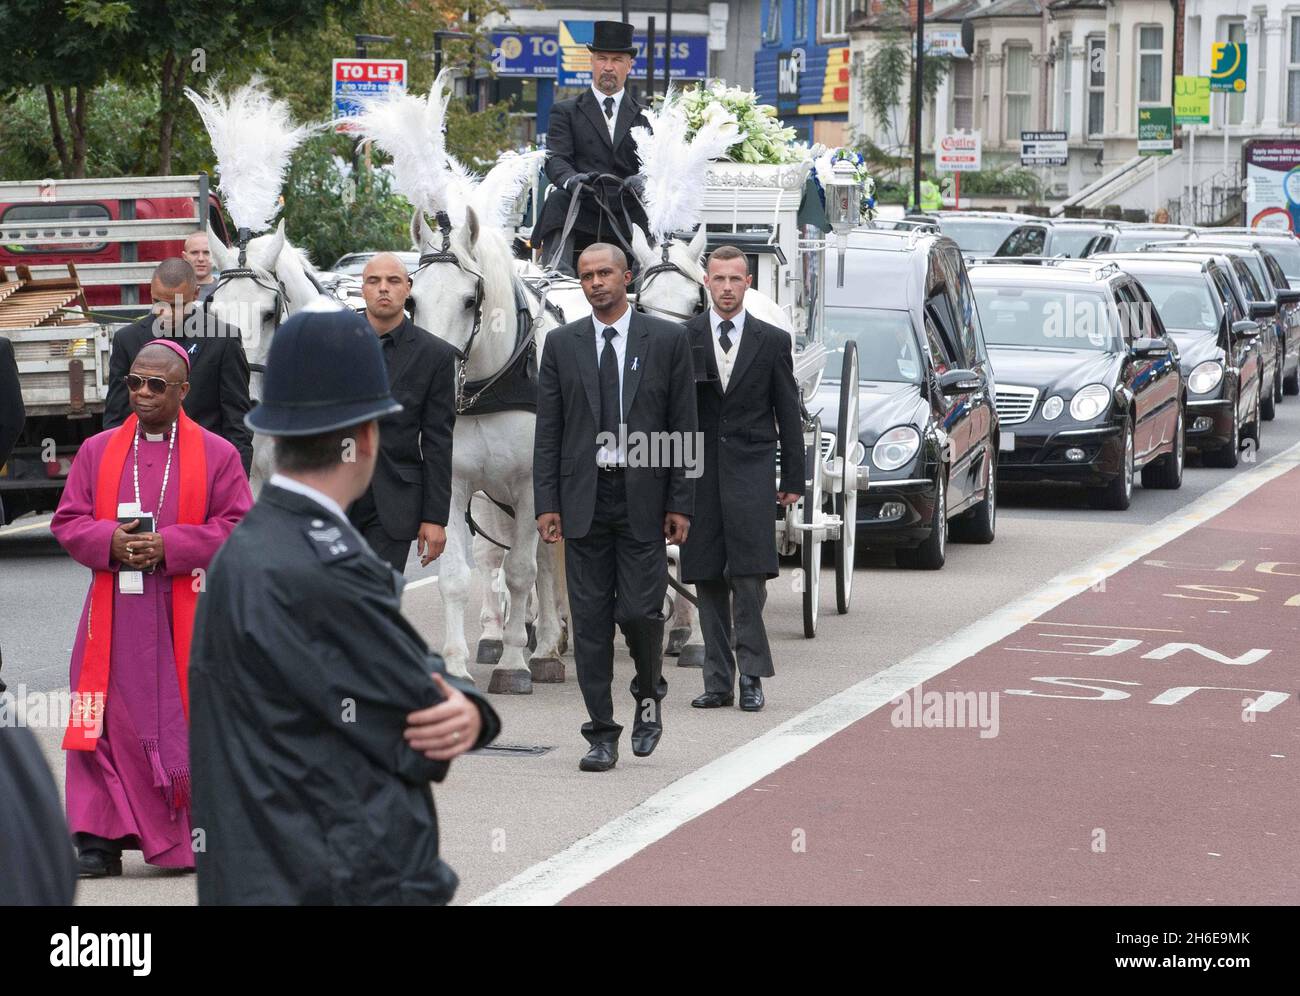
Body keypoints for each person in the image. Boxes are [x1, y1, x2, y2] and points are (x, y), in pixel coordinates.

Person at [189, 304, 501, 905]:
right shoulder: (325, 563)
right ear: (366, 436)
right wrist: (470, 707)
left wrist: (457, 703)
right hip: (335, 877)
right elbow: (414, 714)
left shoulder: (250, 547)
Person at [50, 339, 253, 878]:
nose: (142, 393)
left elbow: (239, 528)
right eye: (134, 382)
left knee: (183, 719)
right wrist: (110, 542)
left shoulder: (217, 453)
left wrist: (173, 547)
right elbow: (67, 522)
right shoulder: (96, 450)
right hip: (112, 613)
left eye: (156, 385)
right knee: (97, 720)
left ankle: (187, 835)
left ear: (182, 392)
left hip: (184, 610)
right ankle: (97, 839)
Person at [534, 243, 696, 771]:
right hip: (584, 498)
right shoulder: (561, 344)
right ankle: (601, 732)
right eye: (586, 276)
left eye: (605, 273)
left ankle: (648, 694)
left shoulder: (668, 340)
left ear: (627, 277)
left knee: (639, 612)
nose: (596, 283)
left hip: (643, 498)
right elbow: (549, 431)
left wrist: (681, 502)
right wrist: (547, 501)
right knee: (590, 620)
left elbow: (683, 426)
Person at [681, 247, 804, 712]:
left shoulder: (771, 341)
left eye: (735, 279)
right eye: (719, 279)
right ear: (706, 283)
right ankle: (717, 681)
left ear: (748, 282)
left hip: (752, 469)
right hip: (699, 472)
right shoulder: (684, 337)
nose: (727, 288)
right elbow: (671, 413)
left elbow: (787, 411)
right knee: (707, 575)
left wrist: (794, 475)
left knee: (749, 576)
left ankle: (752, 676)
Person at [346, 252, 456, 574]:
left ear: (408, 289)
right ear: (363, 288)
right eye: (374, 281)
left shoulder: (435, 355)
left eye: (393, 281)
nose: (384, 288)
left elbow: (438, 440)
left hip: (393, 501)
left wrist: (435, 518)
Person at [104, 258, 254, 474]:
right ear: (150, 292)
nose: (165, 312)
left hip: (205, 467)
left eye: (175, 305)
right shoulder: (126, 340)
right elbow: (116, 420)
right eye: (158, 302)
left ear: (195, 295)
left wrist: (237, 482)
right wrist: (117, 472)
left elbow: (237, 421)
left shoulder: (224, 340)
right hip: (143, 468)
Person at [534, 21, 650, 274]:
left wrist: (642, 179)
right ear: (592, 62)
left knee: (655, 208)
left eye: (617, 60)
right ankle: (557, 275)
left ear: (629, 65)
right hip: (583, 199)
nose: (608, 67)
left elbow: (656, 166)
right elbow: (556, 159)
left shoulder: (646, 116)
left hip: (627, 203)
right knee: (557, 200)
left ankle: (648, 278)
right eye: (602, 58)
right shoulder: (564, 111)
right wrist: (571, 180)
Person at [182, 232, 219, 300]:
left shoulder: (224, 290)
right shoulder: (173, 290)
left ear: (214, 256)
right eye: (194, 253)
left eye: (206, 252)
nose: (200, 259)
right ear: (185, 257)